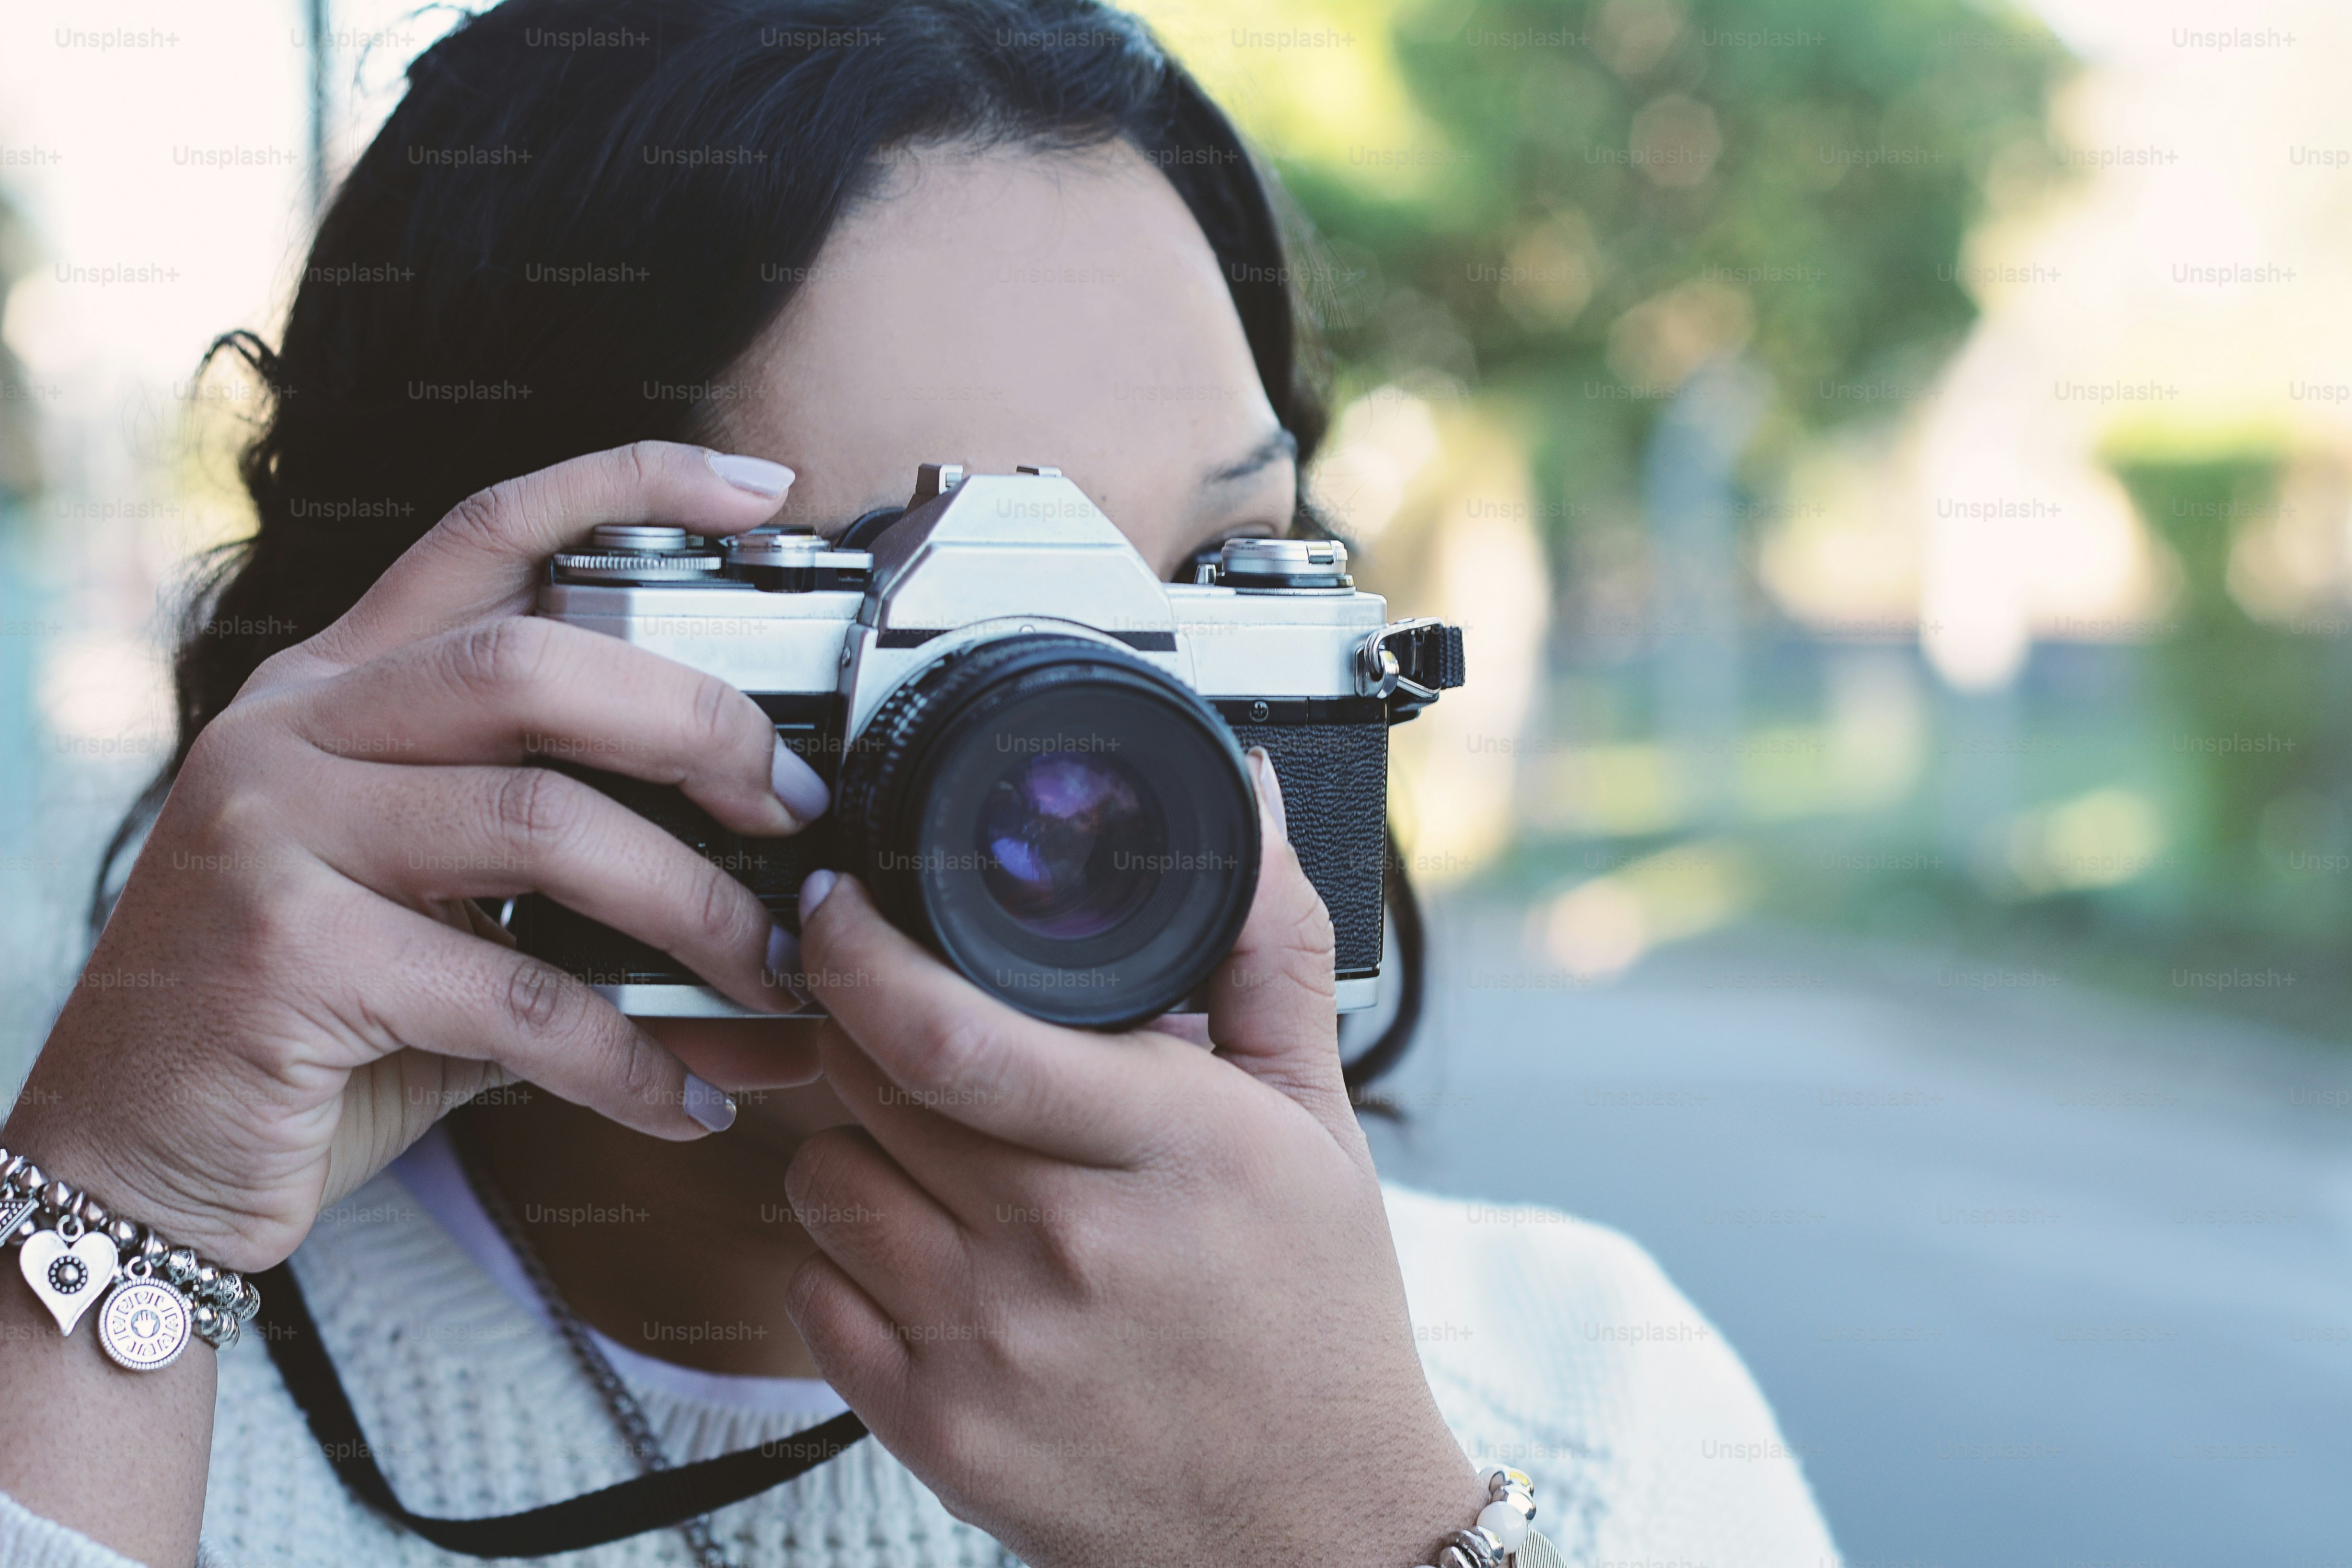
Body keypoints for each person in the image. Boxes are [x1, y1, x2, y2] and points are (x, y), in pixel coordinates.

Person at [0, 2, 1836, 1564]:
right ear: (457, 646)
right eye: (854, 598)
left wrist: (1343, 1522)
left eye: (1216, 582)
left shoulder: (1580, 1393)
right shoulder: (123, 1359)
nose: (1107, 774)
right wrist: (107, 1248)